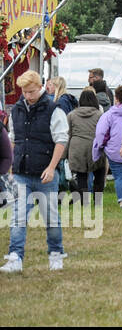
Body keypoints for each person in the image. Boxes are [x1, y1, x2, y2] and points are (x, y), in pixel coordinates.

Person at [1, 71, 69, 273]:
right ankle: (15, 257)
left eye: (31, 91)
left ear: (40, 87)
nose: (28, 95)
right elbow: (13, 140)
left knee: (51, 217)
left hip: (46, 173)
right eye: (24, 91)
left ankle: (55, 253)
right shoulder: (16, 110)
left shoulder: (54, 110)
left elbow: (61, 140)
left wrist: (51, 167)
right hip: (21, 173)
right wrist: (11, 168)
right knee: (18, 217)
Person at [67, 89, 105, 201]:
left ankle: (84, 200)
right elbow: (103, 132)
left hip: (77, 148)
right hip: (95, 147)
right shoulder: (100, 115)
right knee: (99, 173)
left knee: (81, 175)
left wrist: (64, 154)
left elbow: (68, 134)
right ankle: (98, 201)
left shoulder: (71, 115)